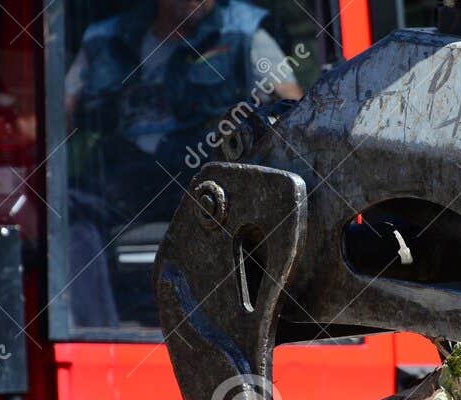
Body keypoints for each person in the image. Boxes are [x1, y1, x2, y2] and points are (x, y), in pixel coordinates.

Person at [62, 0, 303, 326]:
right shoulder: (105, 39)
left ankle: (235, 334)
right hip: (122, 177)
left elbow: (292, 111)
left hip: (202, 177)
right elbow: (60, 114)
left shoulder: (242, 32)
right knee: (67, 210)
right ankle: (96, 338)